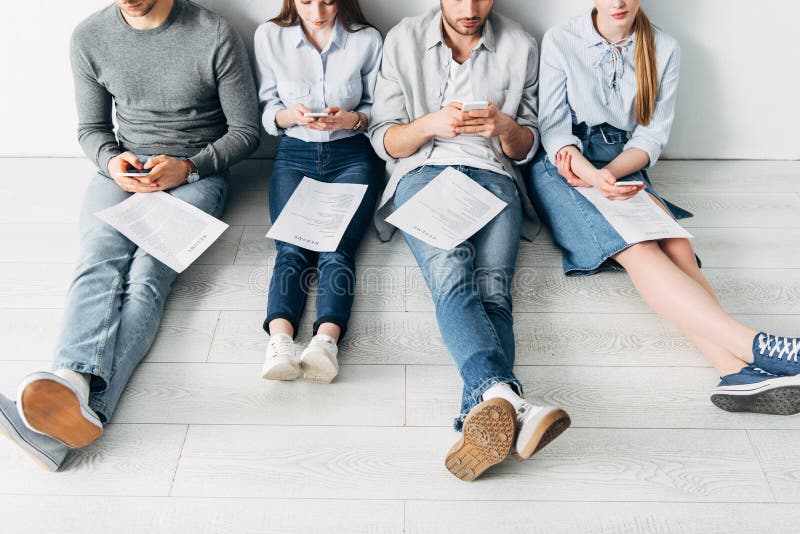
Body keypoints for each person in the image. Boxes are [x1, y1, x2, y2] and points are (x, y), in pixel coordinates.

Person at [0, 0, 260, 471]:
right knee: (99, 258)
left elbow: (246, 132)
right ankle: (74, 388)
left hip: (195, 175)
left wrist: (190, 167)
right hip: (122, 169)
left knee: (146, 275)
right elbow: (92, 129)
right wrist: (110, 162)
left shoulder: (213, 33)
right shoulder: (89, 36)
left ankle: (72, 401)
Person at [527, 0, 800, 416]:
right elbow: (553, 130)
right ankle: (756, 346)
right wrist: (592, 175)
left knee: (678, 247)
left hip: (624, 162)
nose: (617, 2)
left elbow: (651, 138)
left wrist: (612, 173)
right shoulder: (561, 40)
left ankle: (733, 371)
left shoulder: (664, 47)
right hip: (567, 166)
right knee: (639, 248)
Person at [369, 0, 571, 482]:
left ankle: (488, 409)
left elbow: (528, 146)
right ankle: (505, 398)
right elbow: (384, 139)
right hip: (422, 173)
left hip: (494, 177)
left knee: (495, 292)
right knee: (452, 274)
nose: (470, 8)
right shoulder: (402, 40)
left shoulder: (520, 45)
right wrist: (429, 125)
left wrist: (505, 129)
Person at [255, 0, 383, 384]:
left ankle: (326, 342)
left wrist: (353, 119)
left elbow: (381, 110)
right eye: (307, 1)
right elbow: (266, 109)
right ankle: (280, 342)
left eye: (328, 1)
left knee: (336, 247)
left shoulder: (368, 40)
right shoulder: (269, 37)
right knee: (291, 247)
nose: (318, 11)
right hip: (295, 152)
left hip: (352, 155)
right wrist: (290, 116)